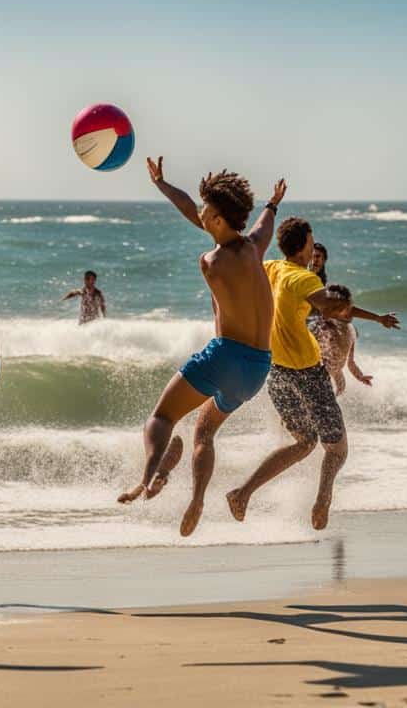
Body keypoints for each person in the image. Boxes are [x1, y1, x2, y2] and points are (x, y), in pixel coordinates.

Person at [116, 156, 285, 538]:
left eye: (209, 213)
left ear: (219, 220)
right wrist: (273, 203)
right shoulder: (256, 246)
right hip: (257, 369)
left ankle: (147, 478)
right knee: (204, 433)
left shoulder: (211, 261)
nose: (202, 217)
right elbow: (262, 222)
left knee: (161, 418)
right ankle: (197, 499)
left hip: (225, 355)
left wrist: (161, 185)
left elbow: (195, 218)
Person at [225, 217, 399, 531]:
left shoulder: (274, 268)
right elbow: (333, 310)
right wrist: (373, 316)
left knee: (305, 442)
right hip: (308, 373)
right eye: (311, 241)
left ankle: (242, 493)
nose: (313, 247)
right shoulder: (306, 281)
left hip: (276, 372)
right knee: (337, 448)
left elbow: (244, 262)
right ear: (304, 244)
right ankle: (322, 500)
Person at [309, 284, 373, 396]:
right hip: (321, 369)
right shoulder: (326, 326)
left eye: (349, 310)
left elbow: (351, 362)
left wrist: (360, 376)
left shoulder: (352, 332)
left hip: (337, 372)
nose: (350, 313)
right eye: (345, 310)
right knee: (321, 394)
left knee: (341, 388)